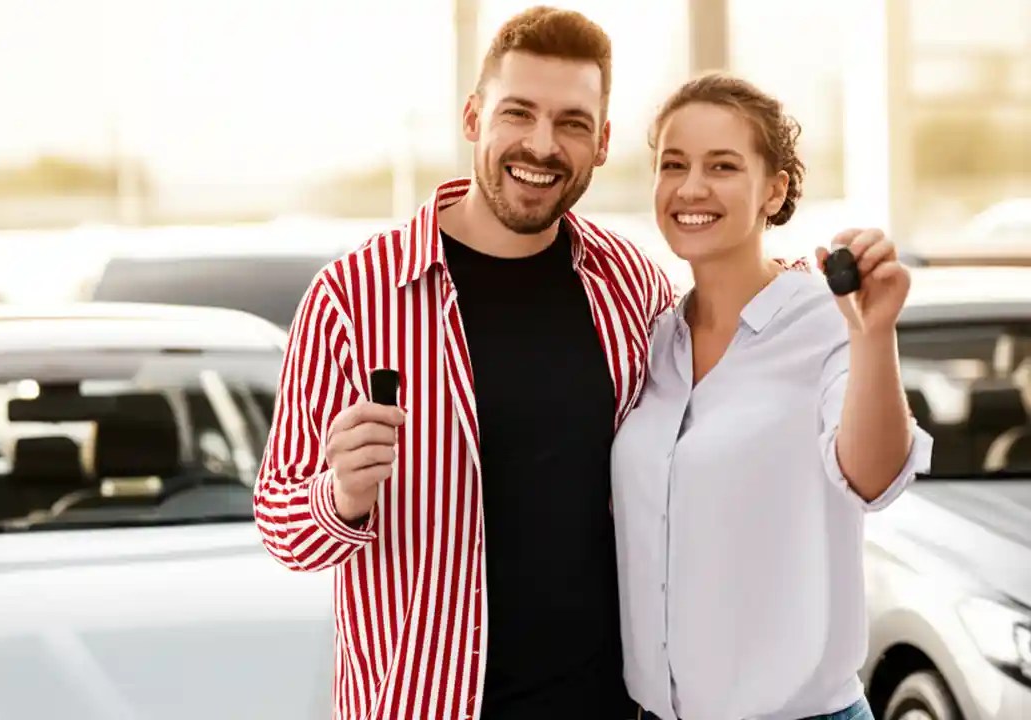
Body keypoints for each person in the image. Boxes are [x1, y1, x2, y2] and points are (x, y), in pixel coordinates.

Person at [254, 6, 674, 719]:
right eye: (519, 113)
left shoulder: (633, 286)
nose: (542, 146)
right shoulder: (353, 298)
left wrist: (782, 286)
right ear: (474, 116)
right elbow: (280, 525)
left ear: (601, 143)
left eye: (572, 122)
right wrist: (343, 495)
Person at [611, 72, 933, 720]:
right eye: (674, 164)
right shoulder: (655, 341)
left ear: (775, 188)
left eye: (722, 166)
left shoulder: (826, 322)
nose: (691, 187)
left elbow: (873, 477)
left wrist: (873, 335)